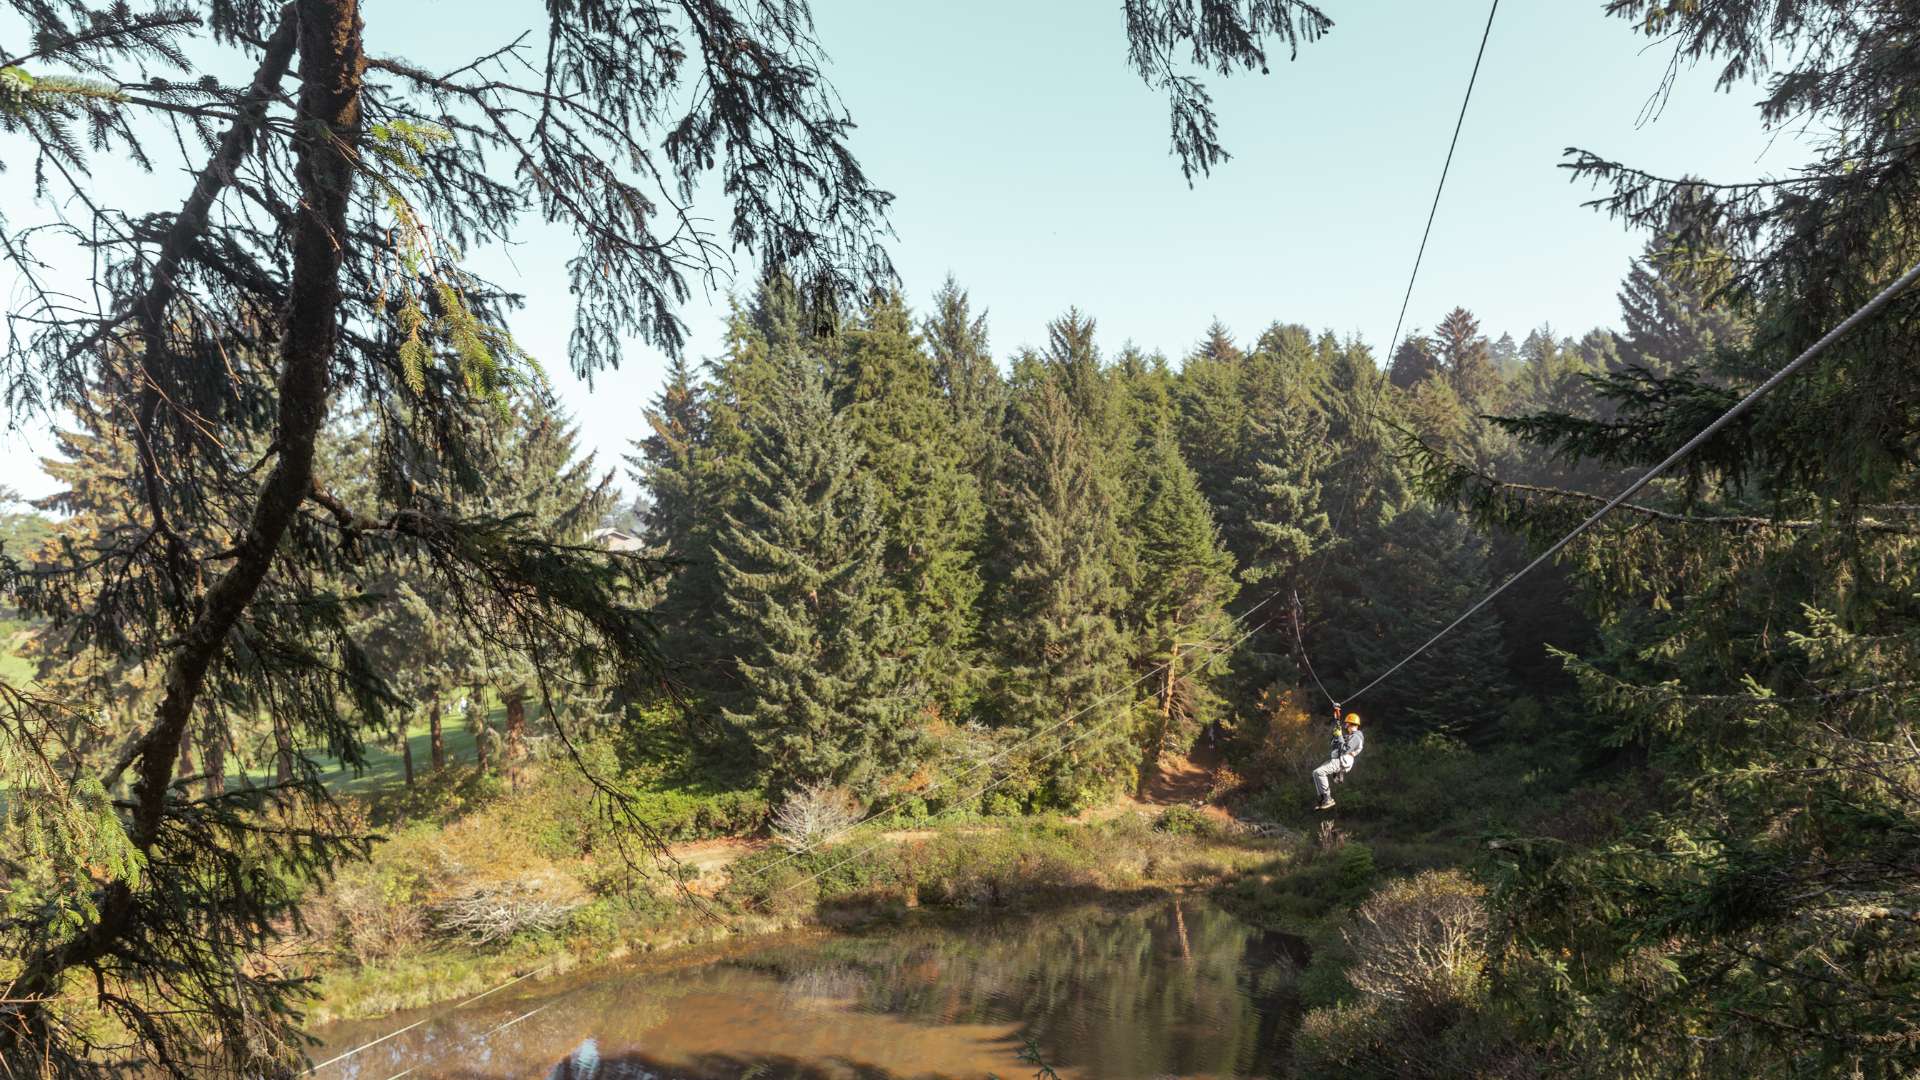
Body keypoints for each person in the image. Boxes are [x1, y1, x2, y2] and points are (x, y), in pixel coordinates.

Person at [1312, 707, 1363, 811]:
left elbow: (1344, 750)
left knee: (1319, 772)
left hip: (1343, 760)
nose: (1345, 725)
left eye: (1346, 724)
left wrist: (1339, 736)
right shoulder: (1350, 736)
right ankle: (1323, 799)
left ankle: (1328, 798)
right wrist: (1336, 735)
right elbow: (1338, 745)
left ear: (1350, 724)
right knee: (1315, 773)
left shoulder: (1357, 737)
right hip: (1339, 758)